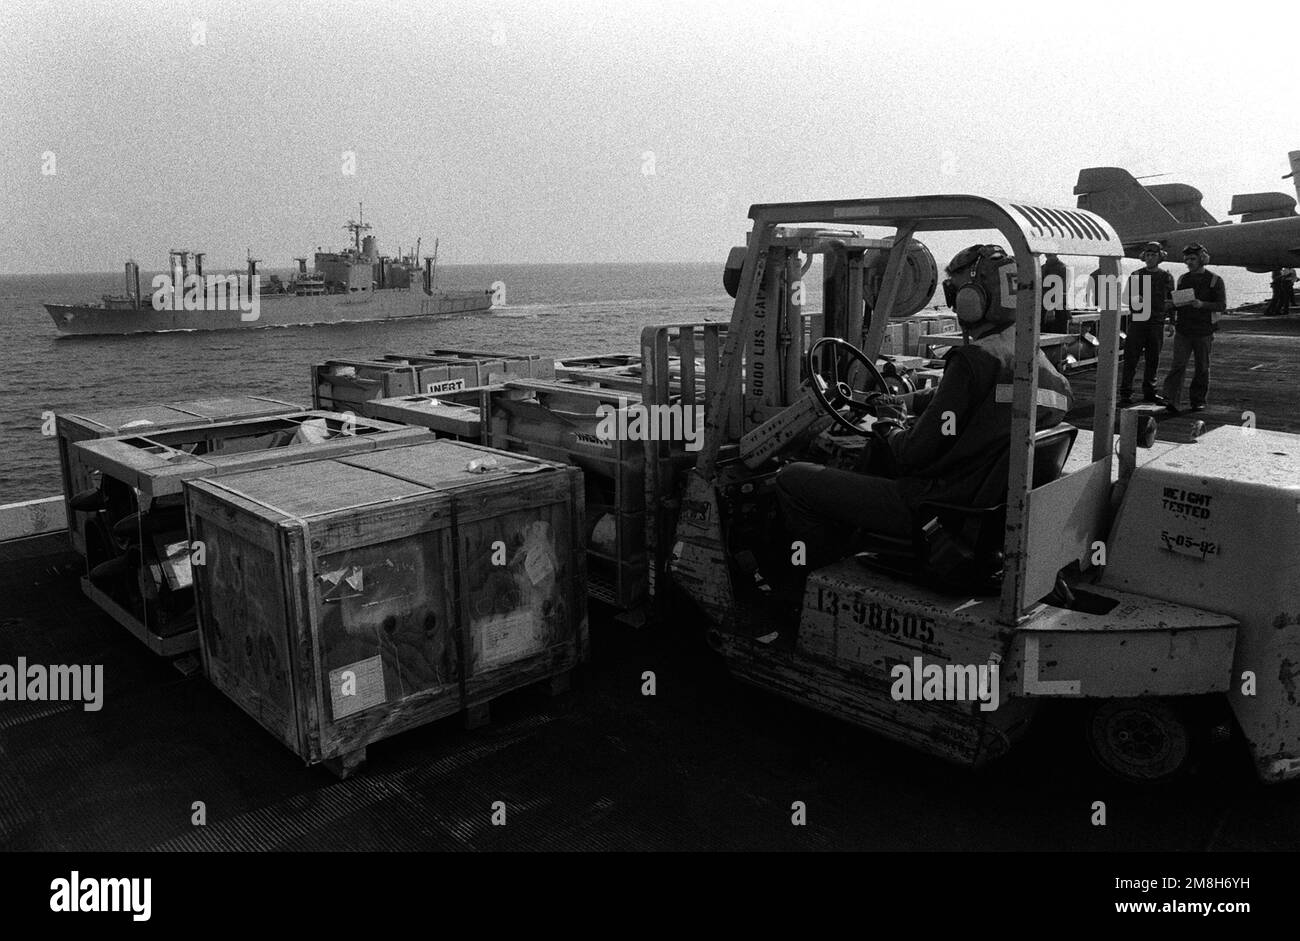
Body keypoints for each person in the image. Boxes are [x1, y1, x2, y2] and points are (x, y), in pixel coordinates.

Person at [776, 244, 1073, 570]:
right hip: (980, 510)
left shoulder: (973, 360)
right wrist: (905, 401)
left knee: (793, 480)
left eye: (956, 292)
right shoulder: (1038, 362)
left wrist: (889, 425)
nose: (954, 302)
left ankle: (808, 581)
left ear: (972, 298)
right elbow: (985, 401)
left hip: (932, 507)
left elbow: (912, 453)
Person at [1162, 243, 1227, 414]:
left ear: (1202, 259)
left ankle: (1198, 400)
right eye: (1187, 259)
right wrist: (1171, 312)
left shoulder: (1215, 280)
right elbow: (1178, 303)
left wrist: (1202, 304)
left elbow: (1221, 305)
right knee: (1178, 366)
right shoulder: (1183, 279)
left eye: (1192, 259)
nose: (1189, 262)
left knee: (1202, 367)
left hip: (1204, 331)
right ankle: (1171, 400)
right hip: (1184, 330)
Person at [1120, 242, 1174, 404]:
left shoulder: (1166, 277)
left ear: (1160, 257)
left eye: (1153, 255)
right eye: (1148, 255)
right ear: (1144, 257)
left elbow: (1171, 300)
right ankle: (1125, 393)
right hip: (1138, 322)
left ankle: (1150, 392)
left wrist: (1172, 321)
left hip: (1156, 323)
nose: (1150, 258)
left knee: (1153, 359)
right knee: (1131, 359)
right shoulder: (1136, 275)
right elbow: (1126, 297)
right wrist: (1137, 300)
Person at [1040, 253, 1070, 333]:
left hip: (1058, 311)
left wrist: (1051, 308)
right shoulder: (1041, 269)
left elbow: (1062, 290)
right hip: (1043, 310)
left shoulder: (1063, 269)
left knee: (1058, 338)